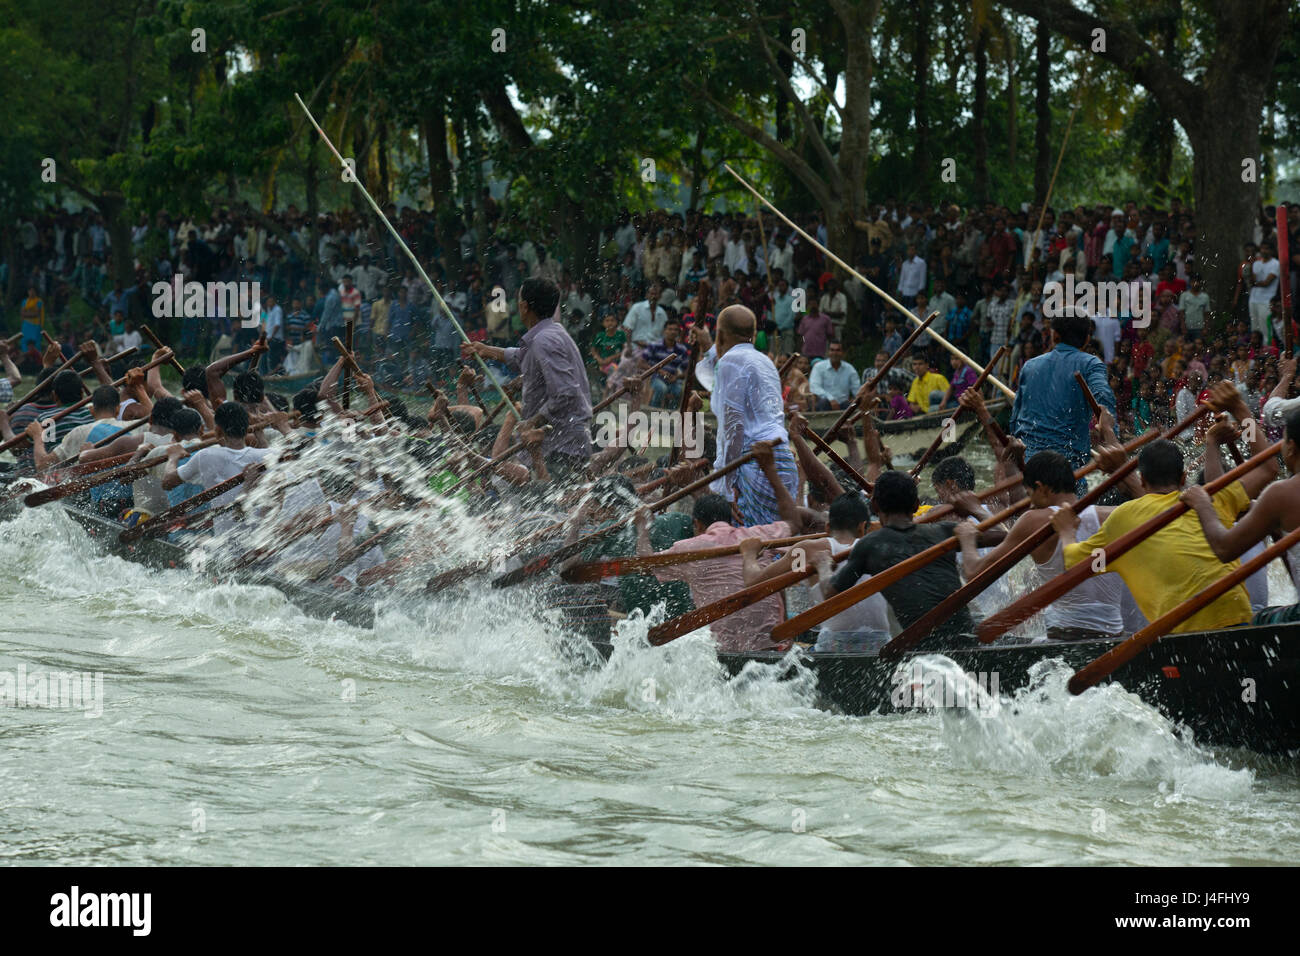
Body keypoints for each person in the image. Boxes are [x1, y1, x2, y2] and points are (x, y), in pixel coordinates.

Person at [1054, 385, 1277, 633]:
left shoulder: (1123, 519)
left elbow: (1080, 566)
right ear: (1183, 479)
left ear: (1142, 480)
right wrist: (1240, 408)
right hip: (1237, 620)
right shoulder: (1210, 500)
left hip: (1181, 638)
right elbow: (1268, 468)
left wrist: (1066, 533)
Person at [955, 451, 1126, 641]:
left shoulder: (1033, 520)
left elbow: (975, 573)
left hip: (1064, 635)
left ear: (1041, 488)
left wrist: (967, 539)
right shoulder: (1114, 515)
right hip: (1114, 634)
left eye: (1029, 495)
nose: (1031, 505)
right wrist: (1121, 466)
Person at [821, 471, 1002, 650]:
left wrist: (822, 565)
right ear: (916, 505)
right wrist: (976, 509)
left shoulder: (869, 545)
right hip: (968, 642)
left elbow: (829, 595)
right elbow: (1007, 536)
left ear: (875, 506)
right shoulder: (944, 531)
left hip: (921, 651)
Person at [461, 277, 593, 478]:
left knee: (548, 506)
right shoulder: (552, 333)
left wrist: (532, 421)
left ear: (524, 307)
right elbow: (520, 356)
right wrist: (485, 349)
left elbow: (565, 392)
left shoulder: (544, 341)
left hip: (559, 449)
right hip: (558, 446)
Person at [1182, 405, 1300, 624]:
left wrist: (1203, 505)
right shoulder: (1267, 505)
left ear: (1291, 447)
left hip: (1251, 615)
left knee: (1251, 621)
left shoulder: (1280, 496)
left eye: (1283, 442)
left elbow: (1224, 547)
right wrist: (1239, 413)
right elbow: (1229, 491)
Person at [710, 304, 797, 525]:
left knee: (755, 547)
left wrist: (727, 489)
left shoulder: (729, 361)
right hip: (783, 460)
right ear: (753, 334)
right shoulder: (765, 360)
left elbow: (733, 428)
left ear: (719, 334)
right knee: (778, 541)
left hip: (755, 463)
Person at [1008, 312, 1115, 476]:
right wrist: (1112, 438)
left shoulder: (1030, 366)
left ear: (1054, 335)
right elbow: (1104, 399)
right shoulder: (1091, 363)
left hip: (1029, 459)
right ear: (1087, 338)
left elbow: (1015, 419)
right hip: (1068, 462)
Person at [162, 401, 272, 510]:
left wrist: (173, 458)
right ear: (247, 428)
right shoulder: (270, 455)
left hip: (225, 525)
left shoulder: (205, 456)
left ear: (218, 430)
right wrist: (260, 436)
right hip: (265, 525)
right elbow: (258, 455)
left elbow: (167, 483)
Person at [640, 317, 690, 409]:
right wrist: (660, 371)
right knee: (661, 388)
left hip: (672, 380)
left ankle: (670, 416)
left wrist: (676, 377)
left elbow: (687, 370)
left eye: (675, 330)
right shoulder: (655, 345)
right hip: (655, 378)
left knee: (678, 391)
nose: (672, 332)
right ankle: (652, 413)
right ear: (664, 331)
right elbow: (641, 363)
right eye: (670, 329)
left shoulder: (681, 349)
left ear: (678, 332)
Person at [807, 340, 860, 411]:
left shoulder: (849, 369)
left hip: (843, 404)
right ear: (828, 352)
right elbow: (815, 387)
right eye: (832, 350)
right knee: (824, 403)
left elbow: (856, 389)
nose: (835, 353)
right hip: (824, 403)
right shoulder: (819, 367)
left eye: (838, 350)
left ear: (843, 353)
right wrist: (831, 399)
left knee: (852, 406)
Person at [622, 281, 667, 348]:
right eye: (651, 294)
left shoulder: (662, 313)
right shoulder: (637, 308)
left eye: (656, 294)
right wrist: (629, 346)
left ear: (660, 296)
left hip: (655, 349)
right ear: (647, 295)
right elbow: (627, 328)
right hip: (636, 347)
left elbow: (665, 333)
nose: (653, 296)